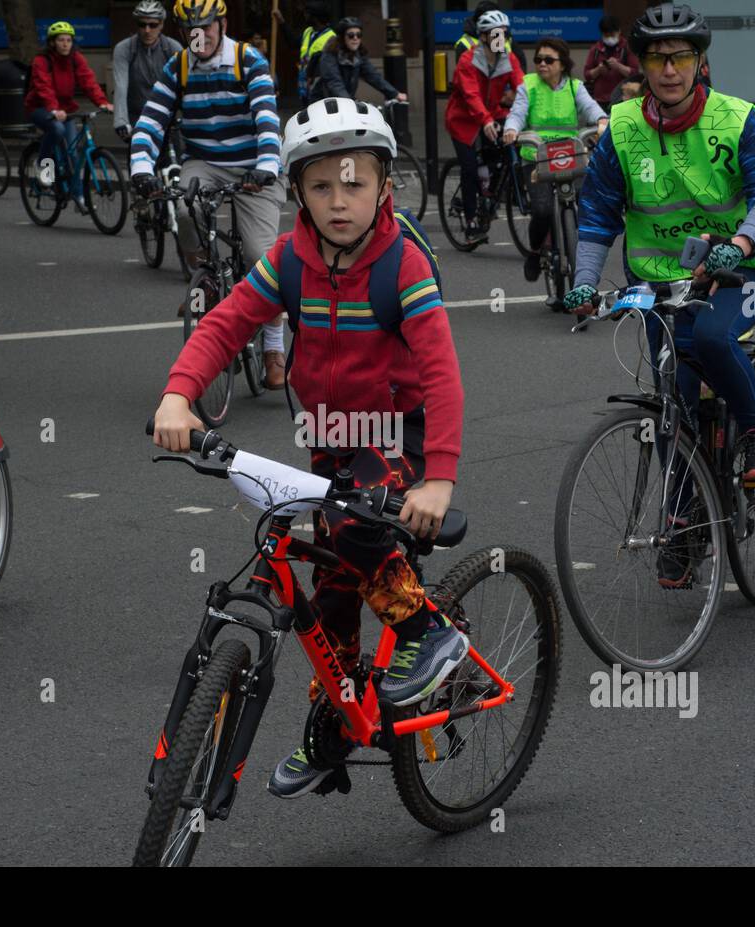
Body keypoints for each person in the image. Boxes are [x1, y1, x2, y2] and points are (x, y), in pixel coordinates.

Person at [151, 97, 467, 798]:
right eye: (321, 186)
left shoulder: (401, 265)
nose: (338, 201)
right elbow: (227, 324)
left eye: (355, 184)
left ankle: (429, 631)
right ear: (296, 192)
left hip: (396, 430)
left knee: (355, 528)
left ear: (385, 187)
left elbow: (444, 377)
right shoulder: (290, 259)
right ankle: (336, 721)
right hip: (330, 436)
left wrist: (438, 477)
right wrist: (180, 394)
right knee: (329, 593)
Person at [561, 3, 755, 585]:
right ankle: (685, 523)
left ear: (700, 62)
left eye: (680, 57)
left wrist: (741, 246)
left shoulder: (738, 118)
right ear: (641, 64)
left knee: (716, 339)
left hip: (743, 268)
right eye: (656, 57)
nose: (668, 68)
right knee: (676, 396)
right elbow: (597, 214)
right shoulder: (621, 128)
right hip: (660, 279)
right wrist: (585, 283)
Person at [130, 0, 288, 387]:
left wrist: (266, 165)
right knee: (183, 211)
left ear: (221, 23)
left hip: (254, 164)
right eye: (190, 31)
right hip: (204, 162)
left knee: (259, 257)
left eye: (206, 28)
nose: (198, 38)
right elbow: (151, 121)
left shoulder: (248, 61)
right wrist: (140, 169)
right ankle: (207, 280)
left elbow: (267, 117)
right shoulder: (179, 67)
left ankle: (273, 348)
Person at [503, 36, 605, 302]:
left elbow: (591, 108)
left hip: (571, 157)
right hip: (536, 158)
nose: (542, 64)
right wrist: (512, 129)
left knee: (587, 207)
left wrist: (603, 120)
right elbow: (518, 111)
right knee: (542, 209)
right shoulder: (529, 85)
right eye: (538, 59)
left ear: (563, 63)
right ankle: (536, 252)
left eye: (548, 60)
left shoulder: (574, 87)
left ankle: (579, 263)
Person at [444, 8, 524, 242]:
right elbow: (471, 96)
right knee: (469, 169)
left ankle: (489, 193)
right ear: (484, 36)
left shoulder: (509, 59)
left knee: (505, 151)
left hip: (494, 113)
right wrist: (486, 119)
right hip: (464, 120)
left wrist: (526, 114)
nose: (501, 38)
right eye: (495, 33)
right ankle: (470, 223)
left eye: (504, 33)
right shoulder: (468, 61)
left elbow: (522, 89)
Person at [24, 21, 114, 217]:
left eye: (68, 40)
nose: (65, 44)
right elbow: (43, 86)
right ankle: (43, 168)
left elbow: (88, 81)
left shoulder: (76, 59)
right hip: (40, 108)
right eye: (60, 40)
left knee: (72, 155)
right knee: (56, 130)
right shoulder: (42, 61)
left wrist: (103, 102)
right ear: (52, 42)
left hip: (65, 110)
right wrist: (53, 108)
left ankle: (79, 197)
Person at [112, 0, 182, 155]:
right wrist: (121, 120)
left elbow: (186, 85)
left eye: (153, 25)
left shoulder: (173, 48)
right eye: (142, 25)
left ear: (162, 24)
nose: (147, 30)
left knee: (175, 167)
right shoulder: (124, 49)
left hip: (167, 115)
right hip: (137, 115)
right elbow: (121, 85)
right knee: (140, 170)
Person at [311, 17, 406, 103]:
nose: (355, 38)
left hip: (344, 102)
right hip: (323, 103)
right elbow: (334, 82)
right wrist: (349, 102)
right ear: (342, 37)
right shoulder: (329, 54)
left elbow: (373, 76)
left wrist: (395, 94)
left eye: (359, 35)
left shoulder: (358, 55)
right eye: (351, 35)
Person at [271, 0, 334, 107]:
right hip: (304, 88)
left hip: (320, 91)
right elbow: (292, 42)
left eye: (307, 13)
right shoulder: (308, 32)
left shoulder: (331, 37)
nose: (304, 16)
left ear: (315, 16)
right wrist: (281, 22)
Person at [583, 15, 638, 110]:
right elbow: (587, 75)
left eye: (612, 35)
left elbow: (634, 73)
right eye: (606, 35)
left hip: (622, 98)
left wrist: (618, 66)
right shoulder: (596, 49)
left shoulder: (627, 48)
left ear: (619, 31)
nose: (609, 38)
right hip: (600, 100)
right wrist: (598, 69)